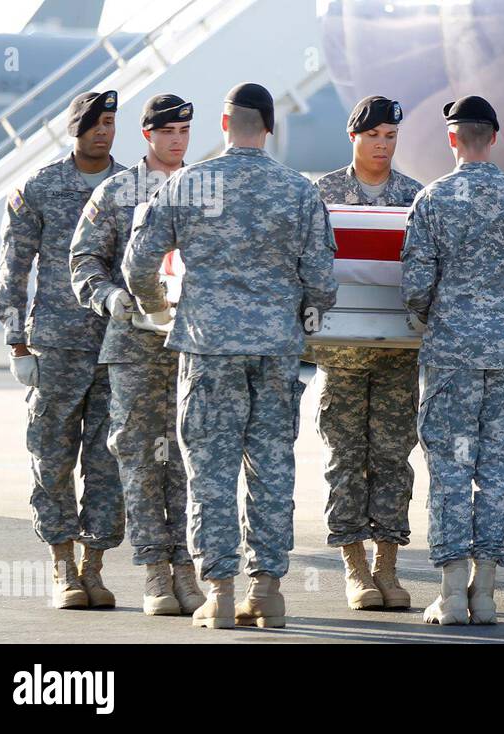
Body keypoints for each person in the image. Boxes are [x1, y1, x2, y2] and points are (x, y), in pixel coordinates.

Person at [122, 82, 337, 629]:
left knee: (210, 472)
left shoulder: (188, 185)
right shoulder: (297, 190)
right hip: (274, 350)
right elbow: (322, 279)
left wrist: (159, 309)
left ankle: (217, 593)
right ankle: (266, 592)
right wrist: (300, 311)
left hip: (207, 346)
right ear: (269, 127)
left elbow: (138, 263)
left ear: (223, 126)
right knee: (271, 467)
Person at [402, 95, 504, 625]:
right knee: (496, 474)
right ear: (494, 137)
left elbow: (416, 289)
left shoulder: (431, 200)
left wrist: (441, 316)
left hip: (450, 359)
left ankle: (447, 594)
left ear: (452, 139)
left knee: (448, 472)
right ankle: (485, 591)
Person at [69, 93, 204, 616]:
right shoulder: (117, 191)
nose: (177, 140)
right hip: (132, 344)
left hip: (191, 343)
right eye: (167, 131)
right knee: (140, 456)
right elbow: (84, 261)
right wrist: (110, 297)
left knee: (189, 458)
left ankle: (188, 571)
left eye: (184, 131)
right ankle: (153, 570)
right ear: (148, 135)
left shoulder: (204, 188)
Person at [0, 90, 126, 610]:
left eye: (110, 122)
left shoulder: (132, 187)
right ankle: (62, 566)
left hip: (117, 346)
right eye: (93, 122)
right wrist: (15, 338)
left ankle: (94, 567)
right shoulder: (40, 187)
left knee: (108, 461)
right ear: (74, 127)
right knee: (51, 457)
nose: (102, 130)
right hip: (55, 345)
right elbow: (14, 266)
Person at [309, 95, 423, 611]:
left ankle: (388, 566)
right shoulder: (324, 193)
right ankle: (355, 566)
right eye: (373, 135)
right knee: (346, 459)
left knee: (394, 458)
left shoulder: (414, 196)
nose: (382, 145)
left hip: (399, 352)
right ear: (353, 136)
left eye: (390, 137)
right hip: (343, 354)